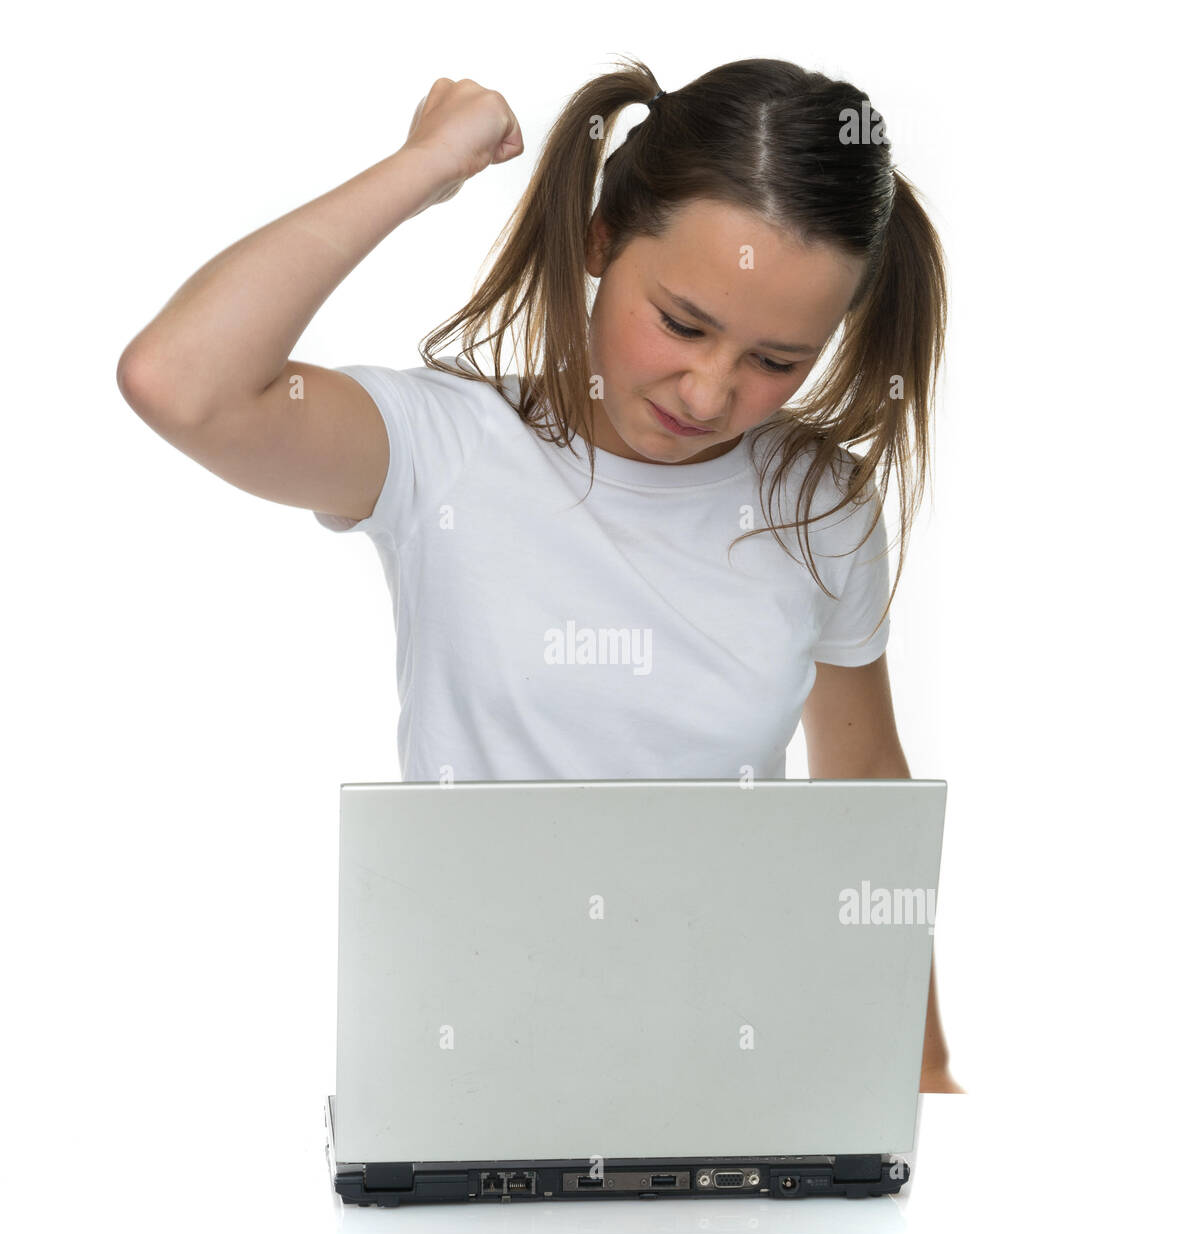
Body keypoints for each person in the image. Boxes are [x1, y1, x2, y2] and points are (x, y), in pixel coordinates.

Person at [116, 57, 961, 1092]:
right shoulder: (442, 450)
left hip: (732, 1073)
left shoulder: (817, 502)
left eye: (776, 360)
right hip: (468, 1069)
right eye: (683, 324)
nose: (708, 391)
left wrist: (925, 1077)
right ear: (600, 237)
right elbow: (179, 382)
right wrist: (420, 169)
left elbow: (865, 796)